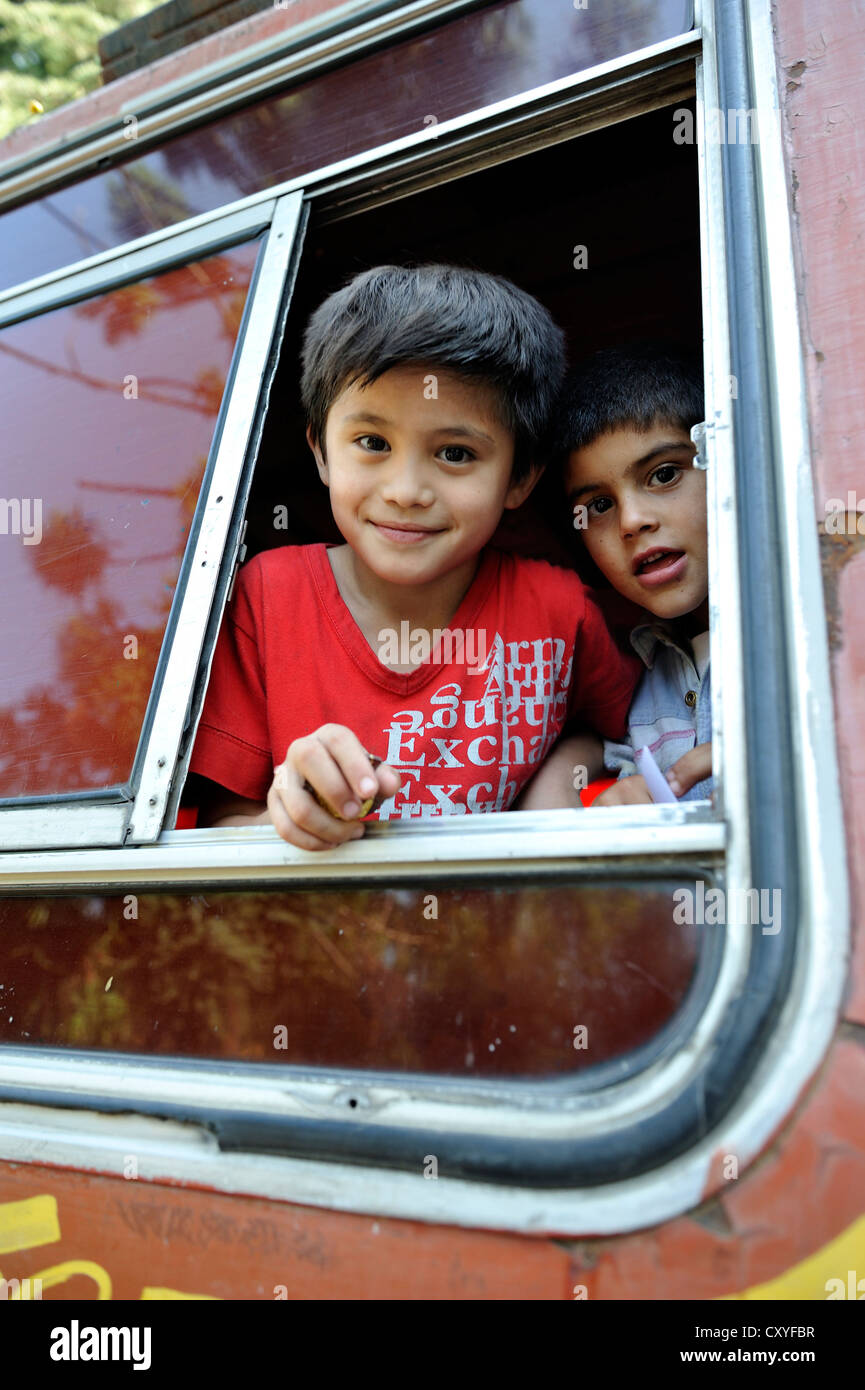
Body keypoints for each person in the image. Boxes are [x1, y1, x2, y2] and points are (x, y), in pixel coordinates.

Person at [188, 264, 640, 847]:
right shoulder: (269, 596)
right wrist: (297, 816)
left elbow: (626, 733)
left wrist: (559, 777)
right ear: (322, 453)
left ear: (521, 478)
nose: (406, 490)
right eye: (372, 443)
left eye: (454, 453)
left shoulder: (557, 609)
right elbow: (223, 824)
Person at [518, 343, 712, 810]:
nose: (632, 521)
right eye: (599, 506)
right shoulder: (641, 681)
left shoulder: (813, 632)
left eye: (664, 474)